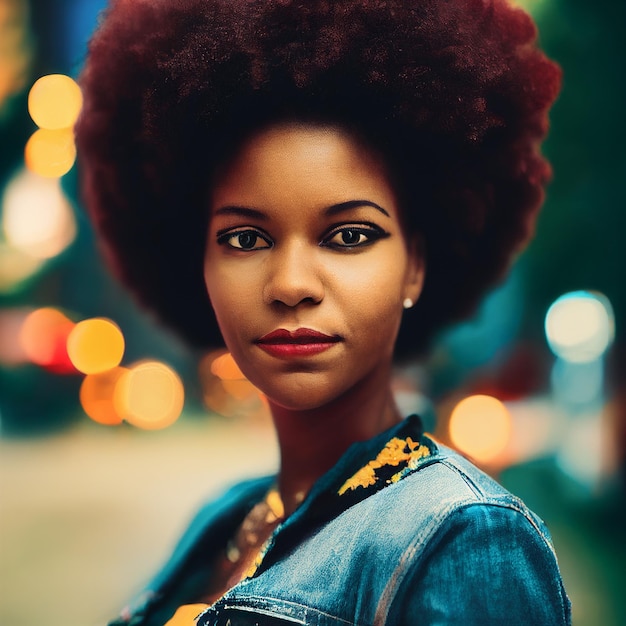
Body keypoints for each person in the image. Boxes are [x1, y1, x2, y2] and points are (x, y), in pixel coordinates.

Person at [75, 0, 570, 624]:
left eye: (349, 236)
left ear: (414, 265)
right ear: (195, 260)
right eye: (246, 239)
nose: (289, 286)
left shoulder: (461, 539)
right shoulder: (227, 516)